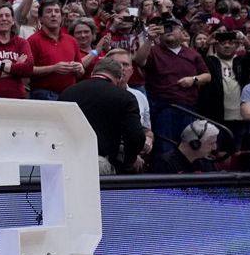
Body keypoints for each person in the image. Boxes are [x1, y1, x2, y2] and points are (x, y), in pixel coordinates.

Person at [57, 57, 145, 174]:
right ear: (119, 78)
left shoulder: (67, 92)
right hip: (101, 165)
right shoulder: (125, 97)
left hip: (68, 160)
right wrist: (130, 159)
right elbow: (136, 136)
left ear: (93, 73)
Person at [142, 19, 210, 153]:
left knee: (189, 148)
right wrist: (149, 39)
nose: (169, 30)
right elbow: (139, 60)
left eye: (173, 27)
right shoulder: (154, 51)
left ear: (182, 32)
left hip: (188, 109)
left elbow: (207, 76)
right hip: (163, 108)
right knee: (165, 148)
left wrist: (193, 79)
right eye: (165, 28)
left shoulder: (192, 53)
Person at [26, 0, 84, 100]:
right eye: (49, 11)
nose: (53, 14)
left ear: (61, 17)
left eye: (57, 11)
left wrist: (79, 68)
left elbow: (80, 73)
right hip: (43, 95)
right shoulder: (32, 40)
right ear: (40, 18)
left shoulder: (72, 40)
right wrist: (53, 68)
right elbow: (27, 71)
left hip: (69, 94)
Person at [152, 119, 219, 174]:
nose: (214, 148)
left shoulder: (205, 163)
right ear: (195, 144)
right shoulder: (165, 163)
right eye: (211, 143)